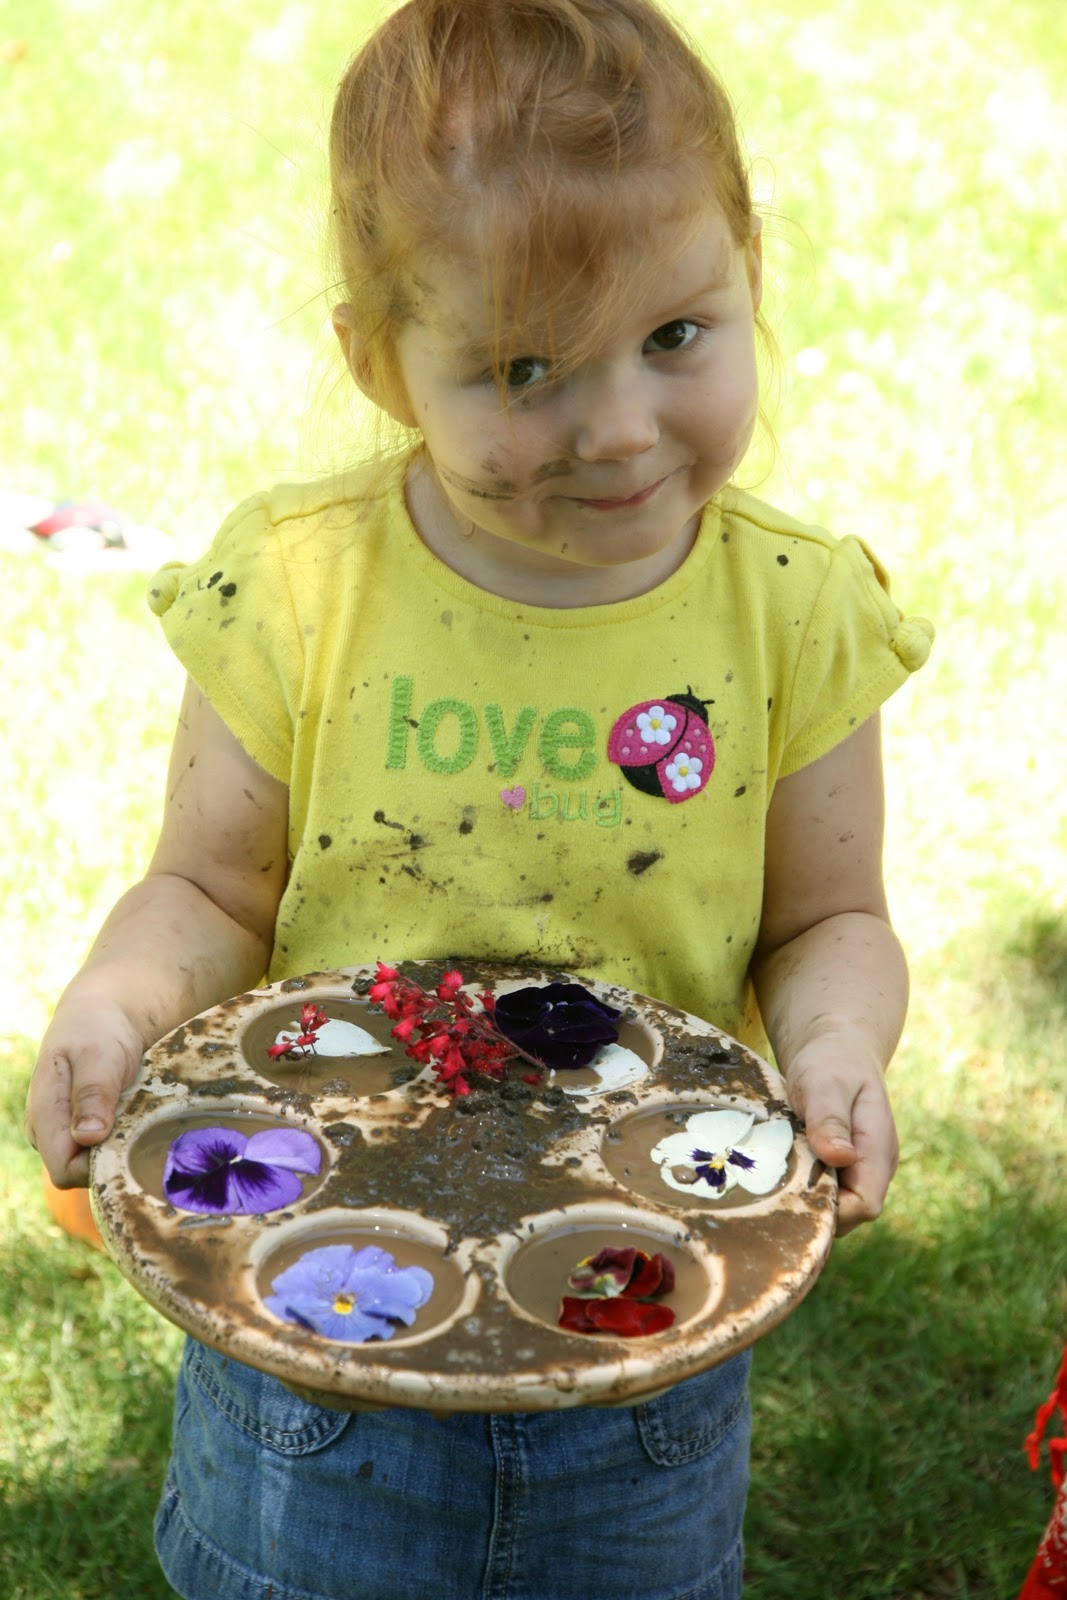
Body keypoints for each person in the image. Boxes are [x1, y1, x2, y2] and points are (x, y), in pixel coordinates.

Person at [24, 2, 933, 1595]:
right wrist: (115, 1003)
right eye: (526, 369)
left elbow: (828, 915)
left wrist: (841, 1046)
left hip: (643, 1309)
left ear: (748, 272)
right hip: (312, 1322)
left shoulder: (787, 610)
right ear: (381, 363)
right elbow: (212, 892)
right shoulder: (303, 588)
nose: (622, 430)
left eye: (677, 337)